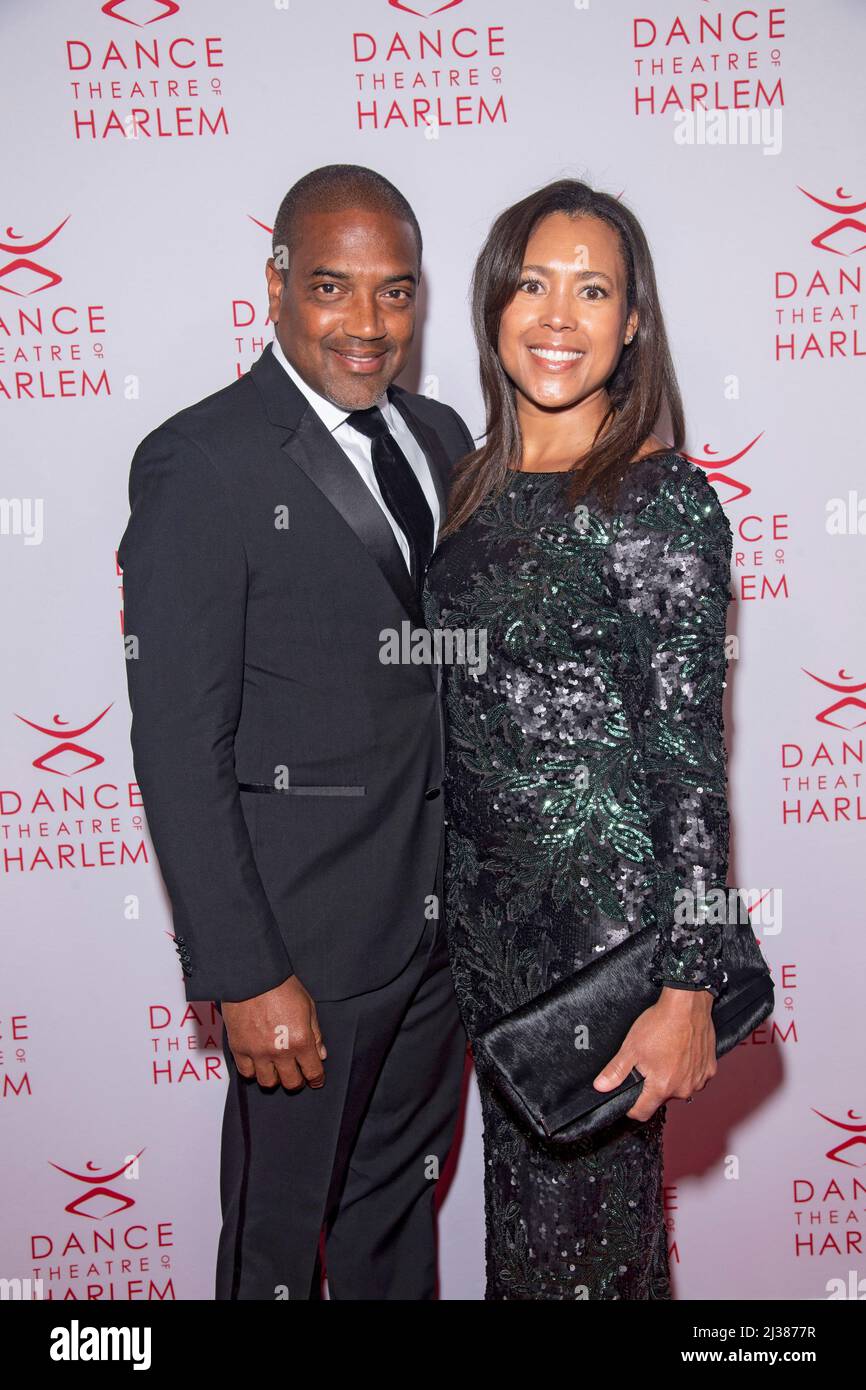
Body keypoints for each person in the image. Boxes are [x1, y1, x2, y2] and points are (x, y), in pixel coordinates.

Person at [117, 165, 474, 1300]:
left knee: (392, 1221)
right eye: (332, 286)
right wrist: (247, 970)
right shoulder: (202, 462)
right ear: (274, 285)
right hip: (303, 959)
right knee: (273, 1250)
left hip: (435, 936)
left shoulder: (439, 431)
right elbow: (177, 741)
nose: (366, 325)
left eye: (395, 292)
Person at [424, 178, 733, 1300]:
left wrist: (688, 986)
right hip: (489, 961)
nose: (557, 317)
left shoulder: (656, 500)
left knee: (579, 1273)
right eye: (532, 284)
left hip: (606, 974)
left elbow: (690, 763)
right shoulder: (473, 487)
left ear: (632, 322)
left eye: (591, 289)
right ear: (493, 303)